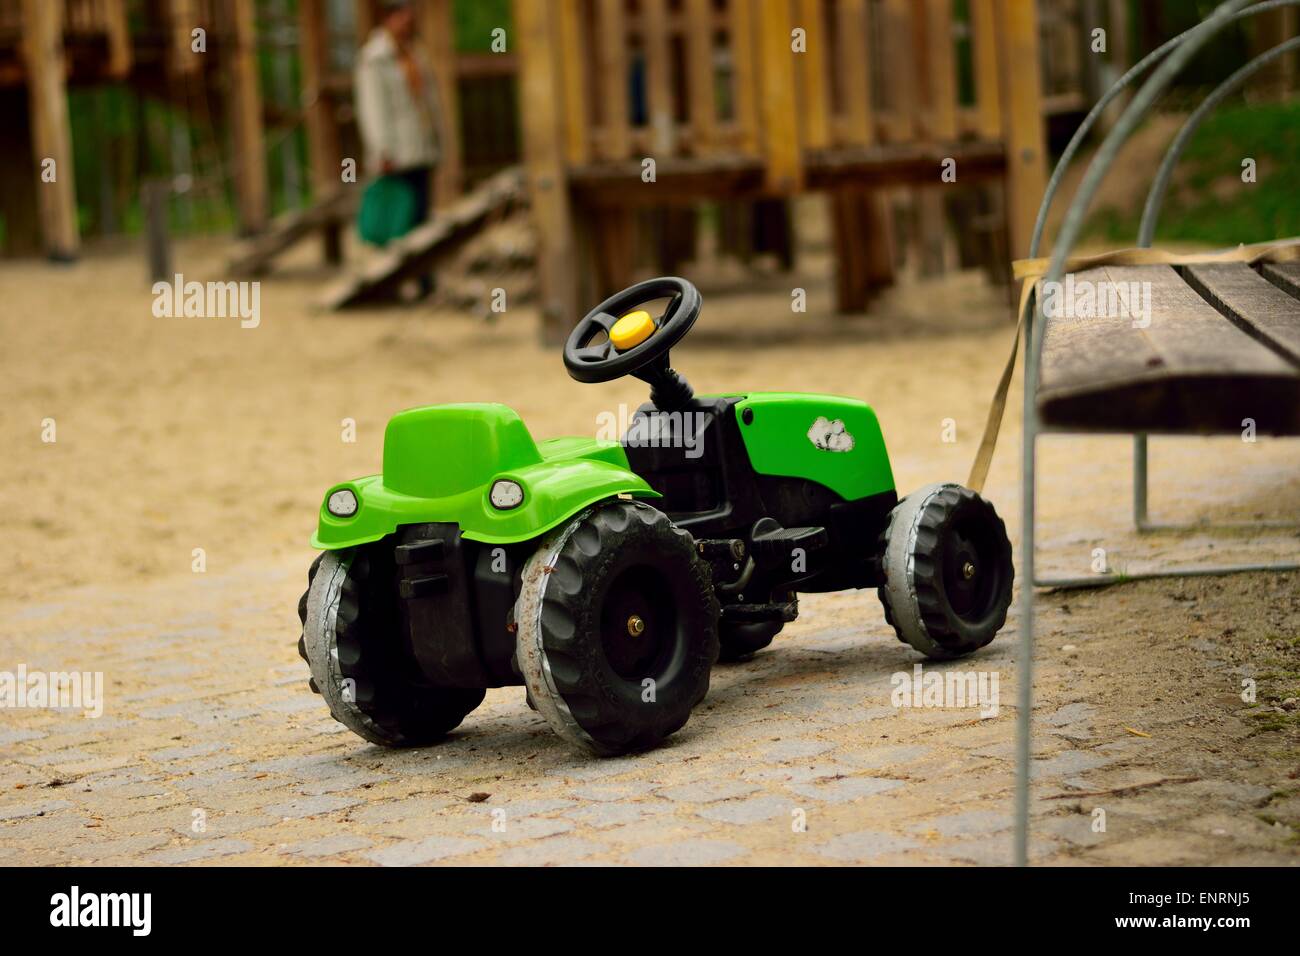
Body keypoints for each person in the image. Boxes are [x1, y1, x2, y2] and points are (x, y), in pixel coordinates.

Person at [354, 1, 444, 295]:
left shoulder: (414, 53)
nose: (407, 22)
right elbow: (372, 108)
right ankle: (388, 280)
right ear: (389, 18)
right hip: (396, 154)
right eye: (402, 17)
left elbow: (428, 102)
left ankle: (423, 279)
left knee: (420, 218)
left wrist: (436, 141)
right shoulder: (374, 58)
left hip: (419, 148)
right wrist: (383, 151)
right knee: (396, 220)